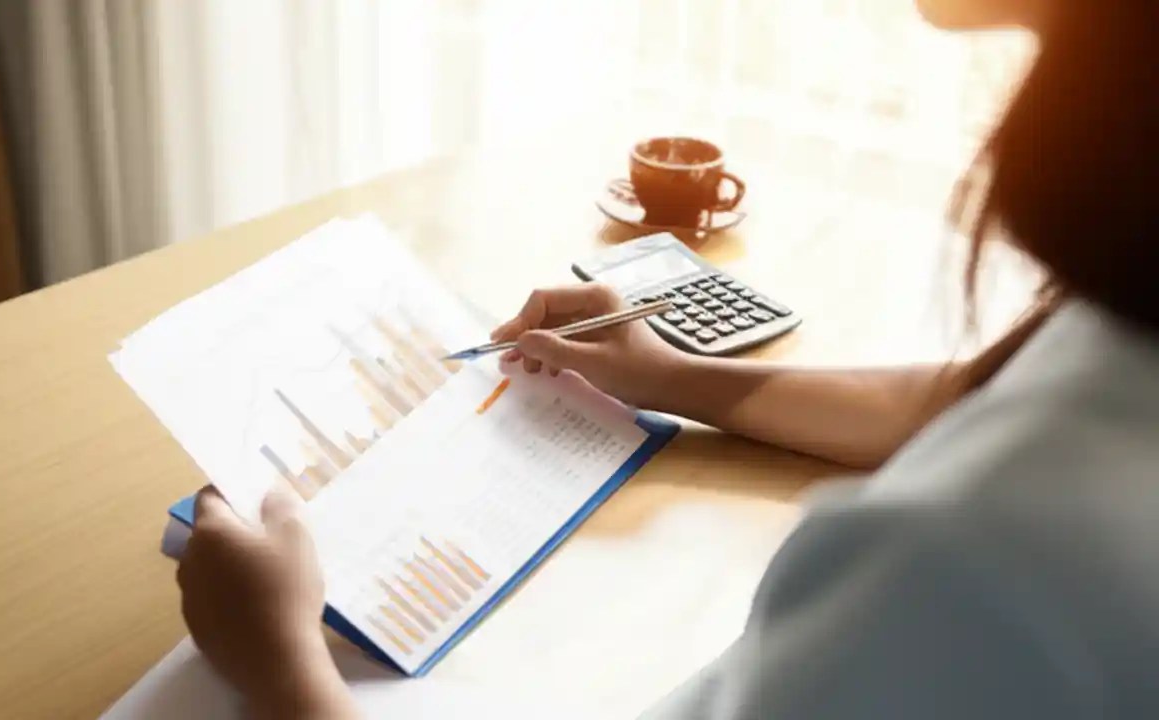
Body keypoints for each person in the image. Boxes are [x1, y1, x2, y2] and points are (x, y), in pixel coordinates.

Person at [176, 0, 1159, 716]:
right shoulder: (1127, 302)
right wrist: (666, 376)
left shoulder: (972, 570)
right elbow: (962, 403)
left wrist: (282, 669)